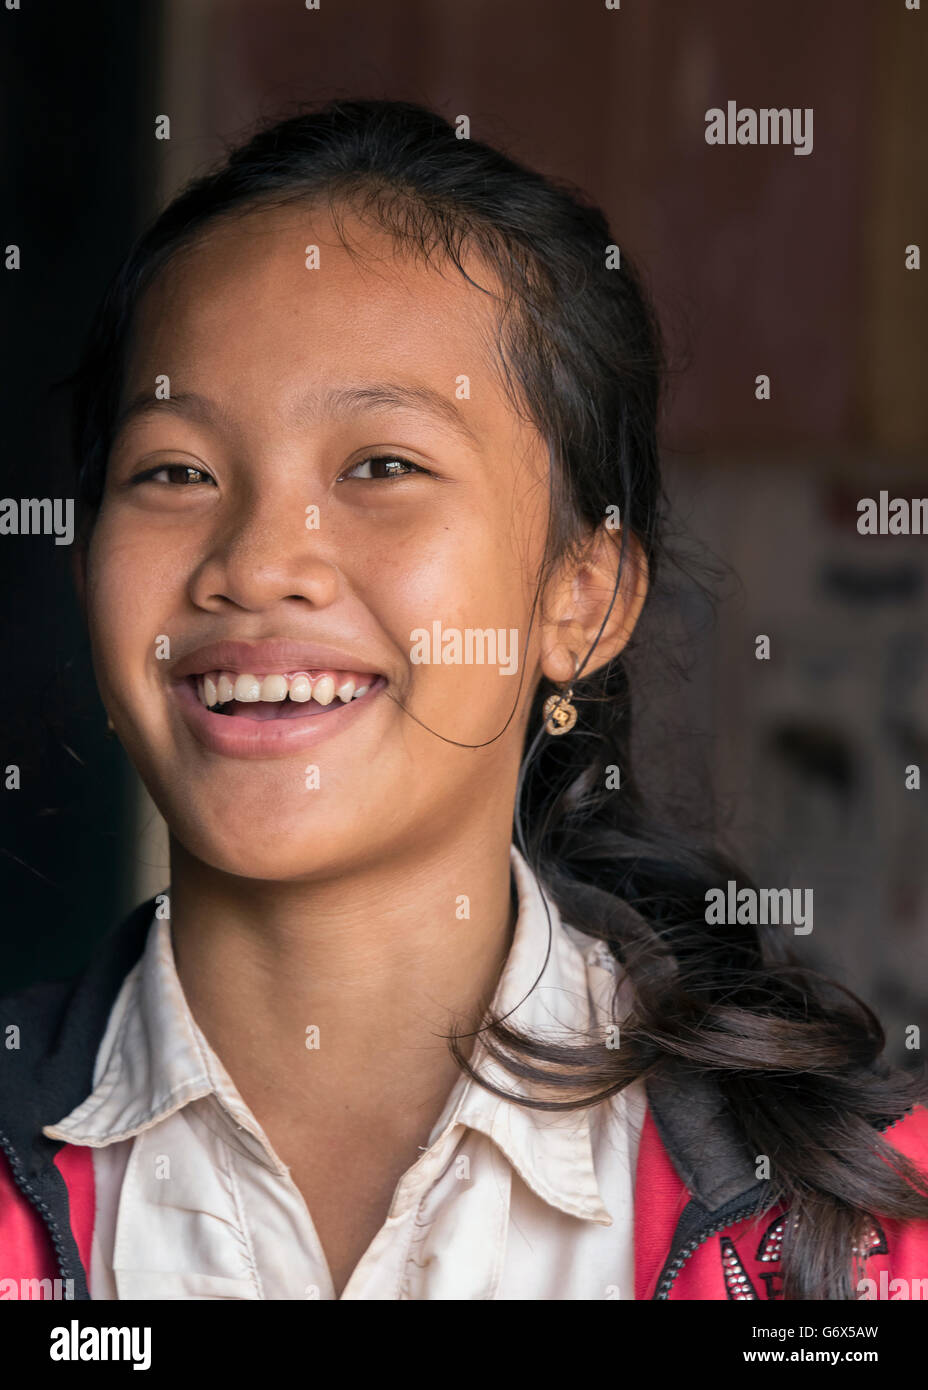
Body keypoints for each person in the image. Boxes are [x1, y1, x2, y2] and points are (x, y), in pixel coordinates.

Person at [1, 98, 927, 1302]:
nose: (258, 561)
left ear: (581, 598)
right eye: (175, 470)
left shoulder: (858, 1236)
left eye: (381, 465)